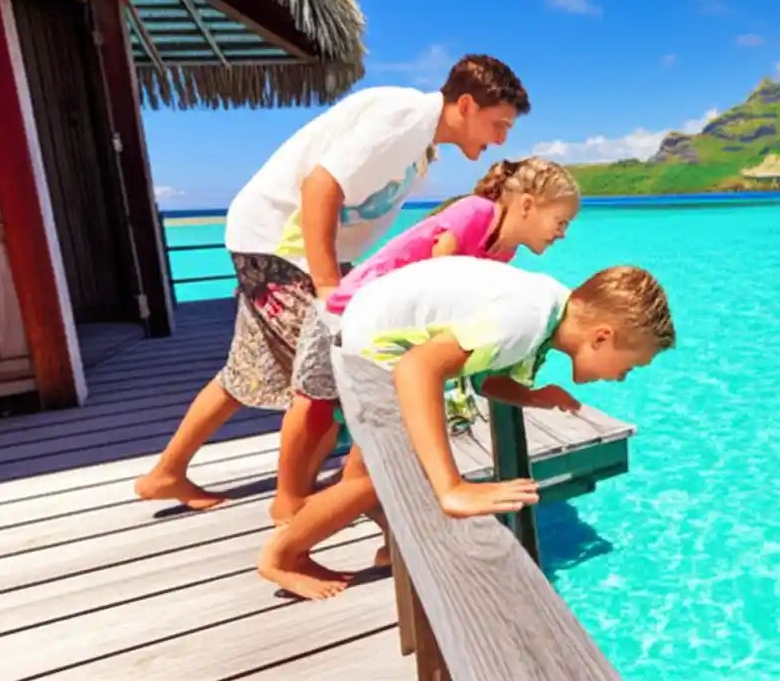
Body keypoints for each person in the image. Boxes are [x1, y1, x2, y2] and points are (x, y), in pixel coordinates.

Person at [134, 54, 530, 526]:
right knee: (335, 377)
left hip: (286, 245)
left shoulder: (420, 139)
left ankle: (167, 471)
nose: (501, 139)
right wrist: (328, 286)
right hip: (285, 247)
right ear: (466, 104)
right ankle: (302, 506)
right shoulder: (404, 118)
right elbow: (321, 186)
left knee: (248, 372)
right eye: (498, 124)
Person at [257, 257, 676, 599]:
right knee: (377, 477)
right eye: (630, 366)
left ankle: (377, 548)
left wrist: (531, 397)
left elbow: (482, 377)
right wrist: (451, 487)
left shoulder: (549, 309)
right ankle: (282, 556)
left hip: (369, 332)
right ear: (602, 337)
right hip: (379, 351)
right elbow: (418, 367)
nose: (622, 378)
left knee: (368, 474)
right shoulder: (526, 320)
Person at [283, 156, 582, 495]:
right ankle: (289, 498)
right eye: (560, 221)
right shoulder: (477, 212)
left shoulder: (503, 253)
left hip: (390, 335)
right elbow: (442, 271)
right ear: (527, 205)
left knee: (366, 424)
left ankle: (347, 493)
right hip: (350, 308)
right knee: (315, 406)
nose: (562, 232)